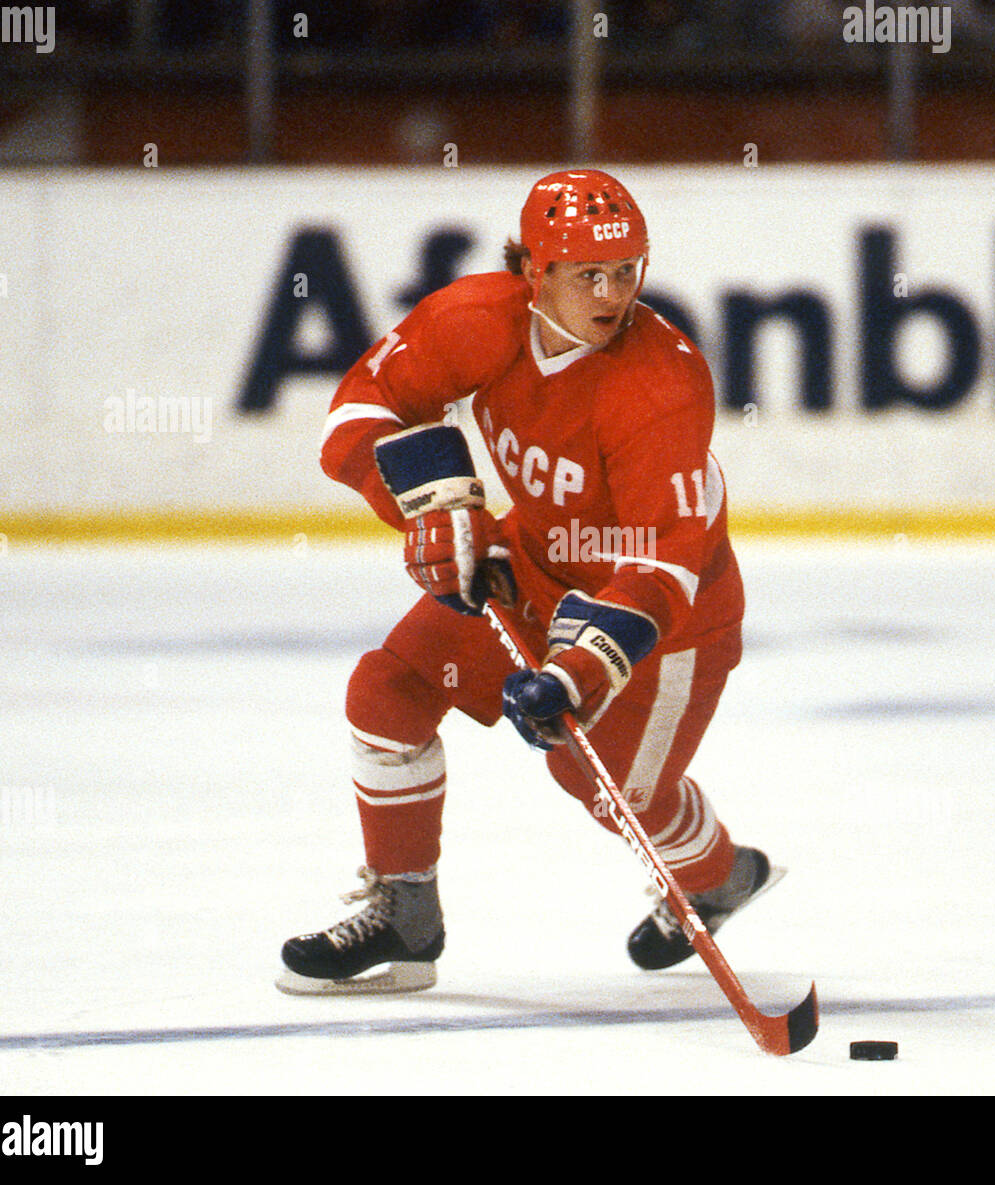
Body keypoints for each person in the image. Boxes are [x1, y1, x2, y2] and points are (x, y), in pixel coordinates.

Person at [278, 169, 782, 994]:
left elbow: (664, 563)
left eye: (626, 271)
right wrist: (430, 508)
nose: (612, 294)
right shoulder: (477, 320)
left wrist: (579, 671)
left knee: (608, 791)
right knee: (388, 691)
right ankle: (406, 911)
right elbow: (360, 410)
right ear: (532, 270)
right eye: (588, 274)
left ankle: (718, 876)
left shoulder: (660, 385)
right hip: (534, 565)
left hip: (667, 623)